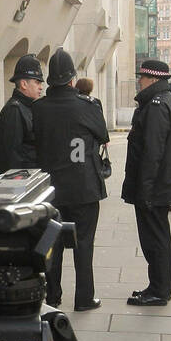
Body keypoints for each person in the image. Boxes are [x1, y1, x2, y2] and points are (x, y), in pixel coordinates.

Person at [32, 49, 109, 312]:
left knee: (52, 244)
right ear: (72, 79)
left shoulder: (38, 108)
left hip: (50, 191)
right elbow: (103, 134)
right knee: (84, 243)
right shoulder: (86, 106)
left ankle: (53, 297)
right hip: (84, 187)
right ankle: (84, 298)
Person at [122, 59, 171, 306]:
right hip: (158, 187)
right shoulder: (159, 102)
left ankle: (159, 290)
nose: (139, 81)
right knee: (156, 239)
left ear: (153, 80)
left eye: (143, 77)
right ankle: (156, 286)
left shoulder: (156, 106)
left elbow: (152, 152)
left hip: (154, 188)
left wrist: (145, 191)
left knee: (155, 240)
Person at [0, 54, 44, 176]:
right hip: (18, 185)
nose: (41, 87)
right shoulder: (14, 110)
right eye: (37, 82)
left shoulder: (27, 107)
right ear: (24, 84)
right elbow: (12, 157)